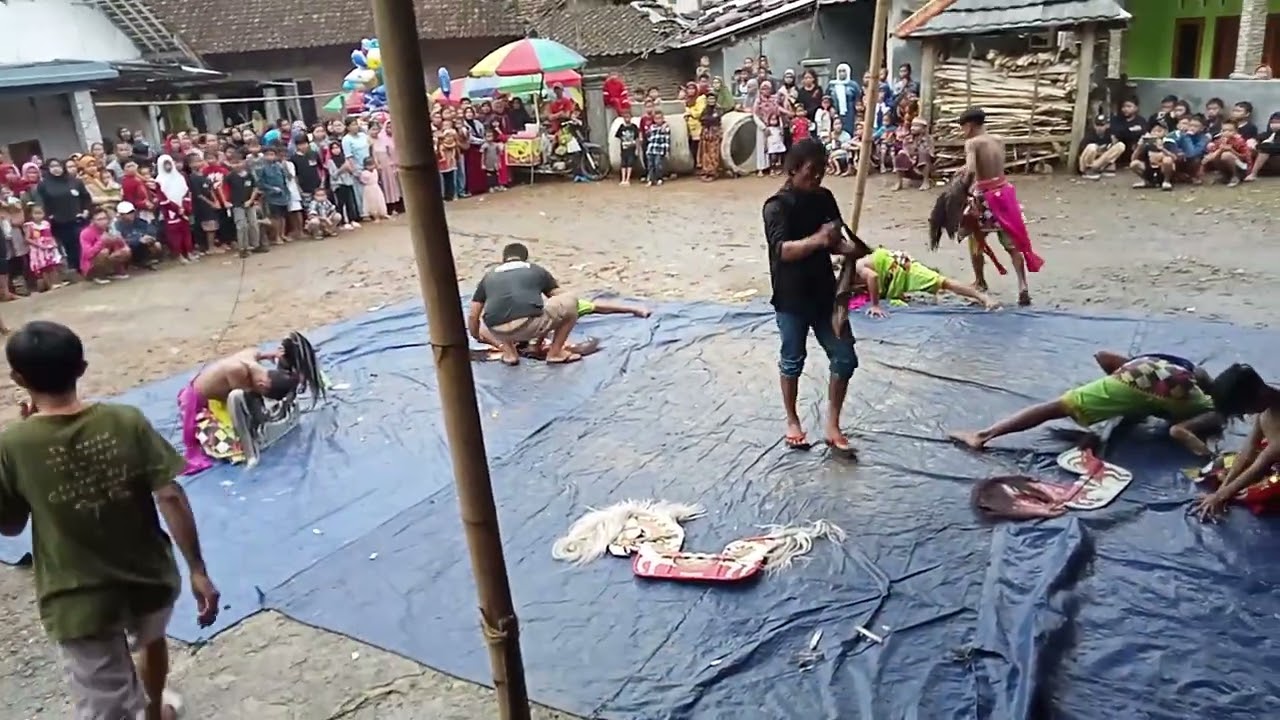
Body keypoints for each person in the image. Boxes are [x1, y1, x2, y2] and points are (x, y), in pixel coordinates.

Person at [0, 321, 219, 720]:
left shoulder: (13, 445)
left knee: (102, 702)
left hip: (77, 599)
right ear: (81, 368)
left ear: (17, 378)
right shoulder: (126, 420)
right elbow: (170, 494)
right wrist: (198, 570)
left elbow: (10, 525)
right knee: (152, 642)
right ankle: (154, 714)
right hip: (149, 578)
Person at [763, 139, 867, 454]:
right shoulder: (776, 206)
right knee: (793, 360)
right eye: (811, 171)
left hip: (825, 295)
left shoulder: (825, 198)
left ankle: (832, 423)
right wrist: (820, 239)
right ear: (793, 169)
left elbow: (835, 239)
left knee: (845, 356)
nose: (817, 177)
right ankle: (792, 419)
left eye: (821, 171)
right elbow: (784, 251)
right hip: (791, 297)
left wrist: (847, 248)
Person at [948, 351, 1222, 455]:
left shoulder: (1207, 401)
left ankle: (983, 435)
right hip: (1150, 381)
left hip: (1149, 377)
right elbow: (1178, 429)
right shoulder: (1209, 407)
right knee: (1066, 402)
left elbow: (1178, 430)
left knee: (1060, 406)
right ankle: (982, 435)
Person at [957, 106, 1044, 306]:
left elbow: (972, 170)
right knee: (1012, 245)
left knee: (975, 240)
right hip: (1005, 193)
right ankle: (1023, 286)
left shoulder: (972, 143)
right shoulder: (997, 140)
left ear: (969, 126)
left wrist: (963, 190)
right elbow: (991, 165)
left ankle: (980, 282)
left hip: (985, 196)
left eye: (963, 128)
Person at [467, 242, 582, 366]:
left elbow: (473, 315)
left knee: (487, 324)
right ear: (525, 258)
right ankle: (555, 353)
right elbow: (558, 296)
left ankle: (509, 353)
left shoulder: (489, 276)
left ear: (503, 260)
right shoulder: (535, 270)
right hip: (529, 326)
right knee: (569, 300)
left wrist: (476, 336)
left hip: (498, 331)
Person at [1194, 364, 1280, 521]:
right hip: (1272, 452)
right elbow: (1248, 451)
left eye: (1244, 410)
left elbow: (1260, 465)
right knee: (1222, 466)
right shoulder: (1266, 405)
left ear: (1258, 396)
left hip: (1272, 456)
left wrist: (1221, 496)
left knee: (1261, 492)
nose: (1246, 414)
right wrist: (1221, 490)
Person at [855, 246, 997, 317]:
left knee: (942, 282)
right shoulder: (849, 277)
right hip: (891, 273)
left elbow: (873, 277)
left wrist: (875, 306)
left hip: (902, 267)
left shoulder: (858, 266)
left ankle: (983, 297)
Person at [155, 155, 196, 263]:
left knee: (186, 232)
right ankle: (179, 254)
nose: (168, 166)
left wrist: (185, 207)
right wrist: (176, 209)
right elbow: (162, 199)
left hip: (183, 209)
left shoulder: (180, 177)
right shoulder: (159, 180)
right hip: (170, 212)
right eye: (165, 164)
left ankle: (189, 252)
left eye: (169, 163)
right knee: (175, 235)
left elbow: (186, 192)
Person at [226, 150, 265, 257]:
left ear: (244, 162)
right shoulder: (230, 176)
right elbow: (224, 189)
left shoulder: (249, 175)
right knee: (241, 225)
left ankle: (255, 245)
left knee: (253, 224)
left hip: (249, 203)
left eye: (239, 162)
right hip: (237, 204)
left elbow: (255, 188)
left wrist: (251, 200)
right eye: (234, 163)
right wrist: (226, 201)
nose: (237, 165)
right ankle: (243, 247)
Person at [113, 201, 161, 269]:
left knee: (157, 245)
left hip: (142, 248)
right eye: (128, 213)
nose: (131, 214)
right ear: (121, 215)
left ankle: (145, 260)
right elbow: (120, 240)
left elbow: (152, 230)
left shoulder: (140, 222)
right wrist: (138, 239)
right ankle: (129, 264)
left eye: (132, 212)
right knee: (126, 249)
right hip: (129, 249)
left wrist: (149, 237)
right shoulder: (117, 225)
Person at [1079, 114, 1126, 179]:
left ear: (1107, 125)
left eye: (1102, 125)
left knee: (1120, 145)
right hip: (1086, 163)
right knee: (1092, 147)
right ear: (1094, 126)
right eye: (1097, 125)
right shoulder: (1090, 135)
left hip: (1099, 162)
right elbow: (1082, 152)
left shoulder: (1110, 134)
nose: (1099, 128)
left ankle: (1103, 168)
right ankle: (1088, 170)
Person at [644, 110, 671, 186]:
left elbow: (667, 139)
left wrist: (667, 150)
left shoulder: (665, 127)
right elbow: (649, 137)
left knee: (658, 164)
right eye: (656, 118)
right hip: (651, 148)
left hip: (660, 149)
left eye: (660, 118)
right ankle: (651, 179)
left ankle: (659, 178)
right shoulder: (652, 127)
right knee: (650, 165)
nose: (658, 120)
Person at [615, 109, 641, 186]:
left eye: (628, 117)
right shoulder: (621, 127)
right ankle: (623, 179)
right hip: (624, 149)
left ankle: (627, 179)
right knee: (623, 164)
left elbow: (637, 138)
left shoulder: (634, 127)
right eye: (625, 117)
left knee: (630, 164)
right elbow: (618, 137)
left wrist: (637, 149)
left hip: (631, 149)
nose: (627, 119)